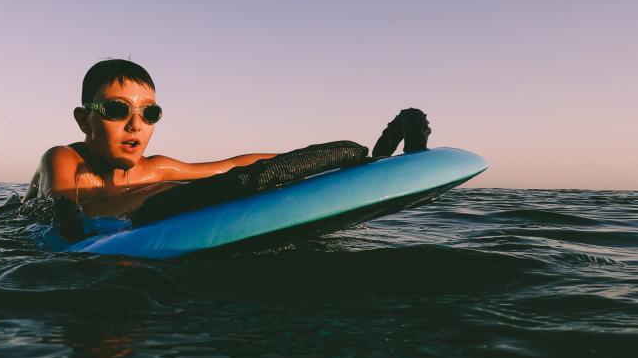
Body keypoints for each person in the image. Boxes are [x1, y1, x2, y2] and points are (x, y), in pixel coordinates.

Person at [23, 58, 430, 219]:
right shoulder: (63, 161)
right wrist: (166, 191)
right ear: (83, 120)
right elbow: (66, 218)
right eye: (116, 110)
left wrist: (316, 157)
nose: (136, 125)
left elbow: (232, 164)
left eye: (149, 113)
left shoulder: (155, 169)